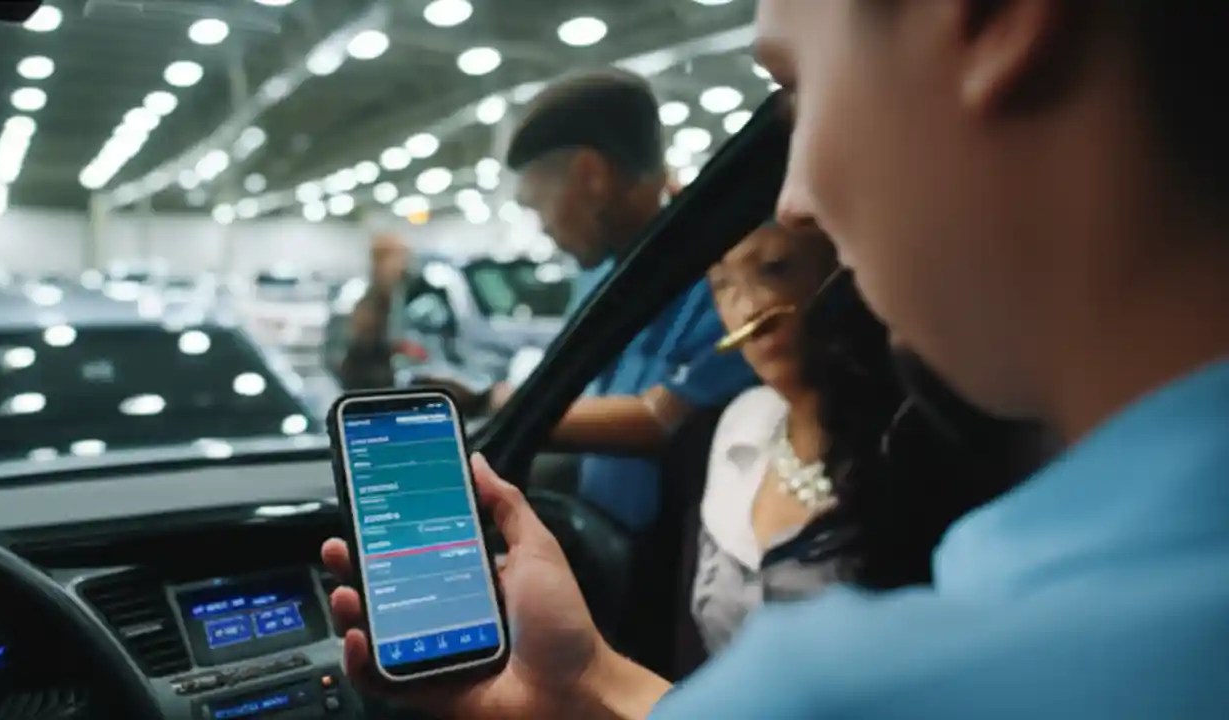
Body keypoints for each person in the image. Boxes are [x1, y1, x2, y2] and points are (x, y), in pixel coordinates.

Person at [323, 0, 1229, 717]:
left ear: (991, 15)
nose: (791, 204)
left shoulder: (859, 686)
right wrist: (587, 681)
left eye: (795, 90)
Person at [457, 71, 758, 533]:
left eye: (539, 205)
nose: (542, 227)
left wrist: (495, 403)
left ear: (590, 175)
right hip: (599, 534)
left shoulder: (723, 274)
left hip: (665, 557)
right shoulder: (601, 275)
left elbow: (660, 421)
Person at [692, 220, 1006, 655]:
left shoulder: (910, 441)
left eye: (774, 268)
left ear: (839, 270)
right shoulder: (742, 428)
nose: (749, 311)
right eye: (721, 285)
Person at [335, 233, 412, 391]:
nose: (402, 265)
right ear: (378, 262)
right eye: (396, 258)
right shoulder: (365, 307)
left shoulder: (408, 298)